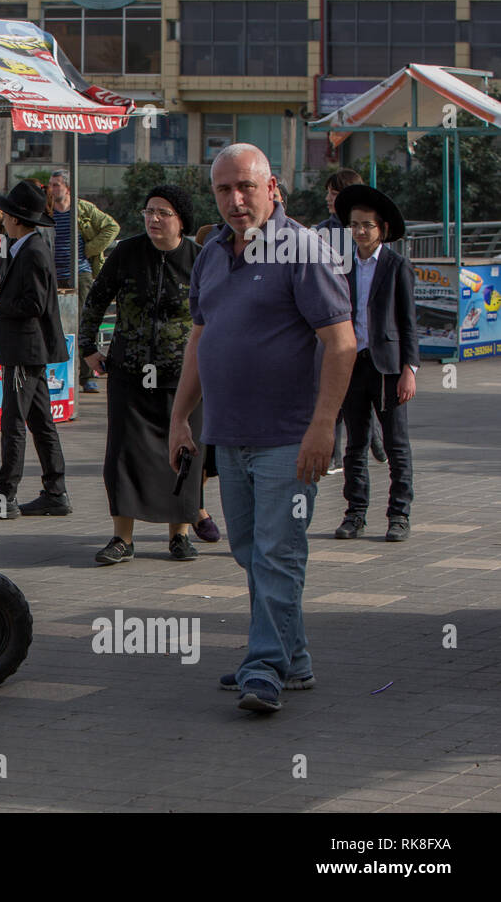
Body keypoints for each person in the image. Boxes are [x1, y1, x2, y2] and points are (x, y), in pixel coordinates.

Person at [169, 143, 355, 714]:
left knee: (278, 552)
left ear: (272, 187)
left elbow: (341, 342)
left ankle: (264, 667)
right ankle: (291, 659)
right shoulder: (211, 254)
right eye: (224, 189)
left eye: (246, 187)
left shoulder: (303, 250)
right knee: (251, 550)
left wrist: (323, 427)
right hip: (230, 433)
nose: (235, 199)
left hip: (289, 437)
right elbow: (201, 336)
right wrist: (179, 416)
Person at [80, 184, 203, 563]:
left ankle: (179, 535)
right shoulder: (127, 252)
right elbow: (96, 299)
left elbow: (216, 314)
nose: (153, 219)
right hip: (129, 370)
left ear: (180, 220)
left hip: (181, 375)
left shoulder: (199, 258)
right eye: (149, 211)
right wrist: (87, 348)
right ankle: (122, 538)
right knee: (122, 454)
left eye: (163, 213)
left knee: (182, 454)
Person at [0, 180, 71, 520]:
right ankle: (55, 493)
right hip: (28, 349)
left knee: (13, 421)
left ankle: (4, 496)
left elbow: (33, 303)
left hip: (26, 349)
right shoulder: (29, 249)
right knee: (40, 422)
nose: (2, 220)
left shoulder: (33, 251)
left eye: (6, 215)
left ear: (15, 219)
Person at [331, 184, 418, 542]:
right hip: (353, 364)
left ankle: (399, 514)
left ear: (381, 229)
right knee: (354, 443)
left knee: (396, 444)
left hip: (388, 366)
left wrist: (409, 369)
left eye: (367, 225)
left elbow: (409, 320)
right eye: (354, 225)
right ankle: (355, 513)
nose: (360, 231)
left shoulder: (397, 266)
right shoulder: (343, 264)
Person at [312, 168, 386, 472]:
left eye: (336, 193)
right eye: (328, 192)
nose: (330, 198)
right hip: (333, 318)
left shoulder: (366, 231)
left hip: (362, 324)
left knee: (365, 389)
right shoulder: (322, 231)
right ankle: (334, 452)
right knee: (335, 385)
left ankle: (375, 438)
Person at [47, 170, 119, 393]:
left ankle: (86, 375)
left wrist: (89, 250)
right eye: (50, 185)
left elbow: (112, 227)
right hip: (53, 274)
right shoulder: (47, 210)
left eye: (56, 185)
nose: (52, 189)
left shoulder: (82, 209)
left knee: (82, 323)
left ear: (67, 188)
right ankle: (56, 374)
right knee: (54, 325)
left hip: (80, 273)